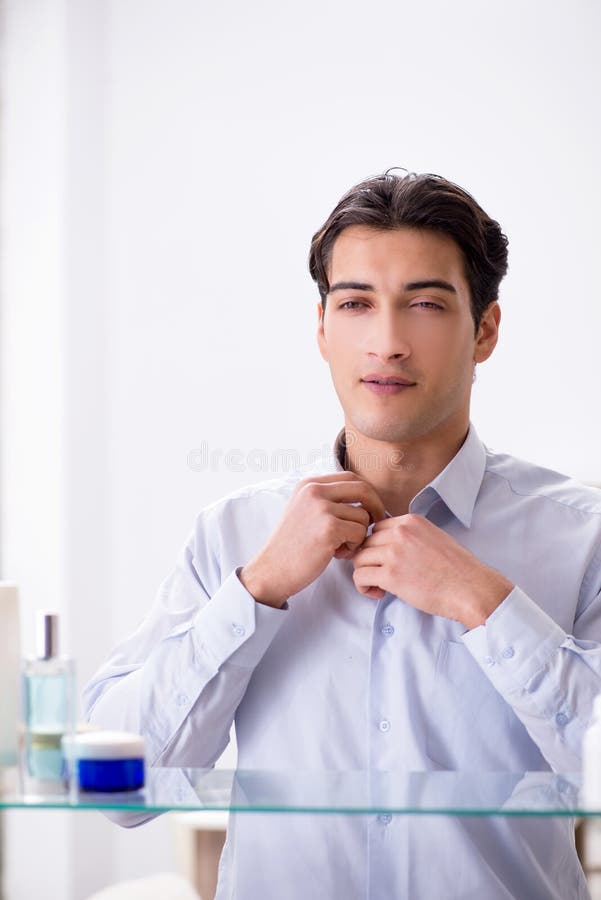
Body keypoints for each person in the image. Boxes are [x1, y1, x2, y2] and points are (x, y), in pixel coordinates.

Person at [83, 169, 601, 899]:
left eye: (425, 304)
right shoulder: (234, 534)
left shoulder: (581, 536)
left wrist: (486, 605)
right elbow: (115, 792)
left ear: (484, 330)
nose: (387, 343)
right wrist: (256, 591)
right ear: (322, 329)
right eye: (356, 303)